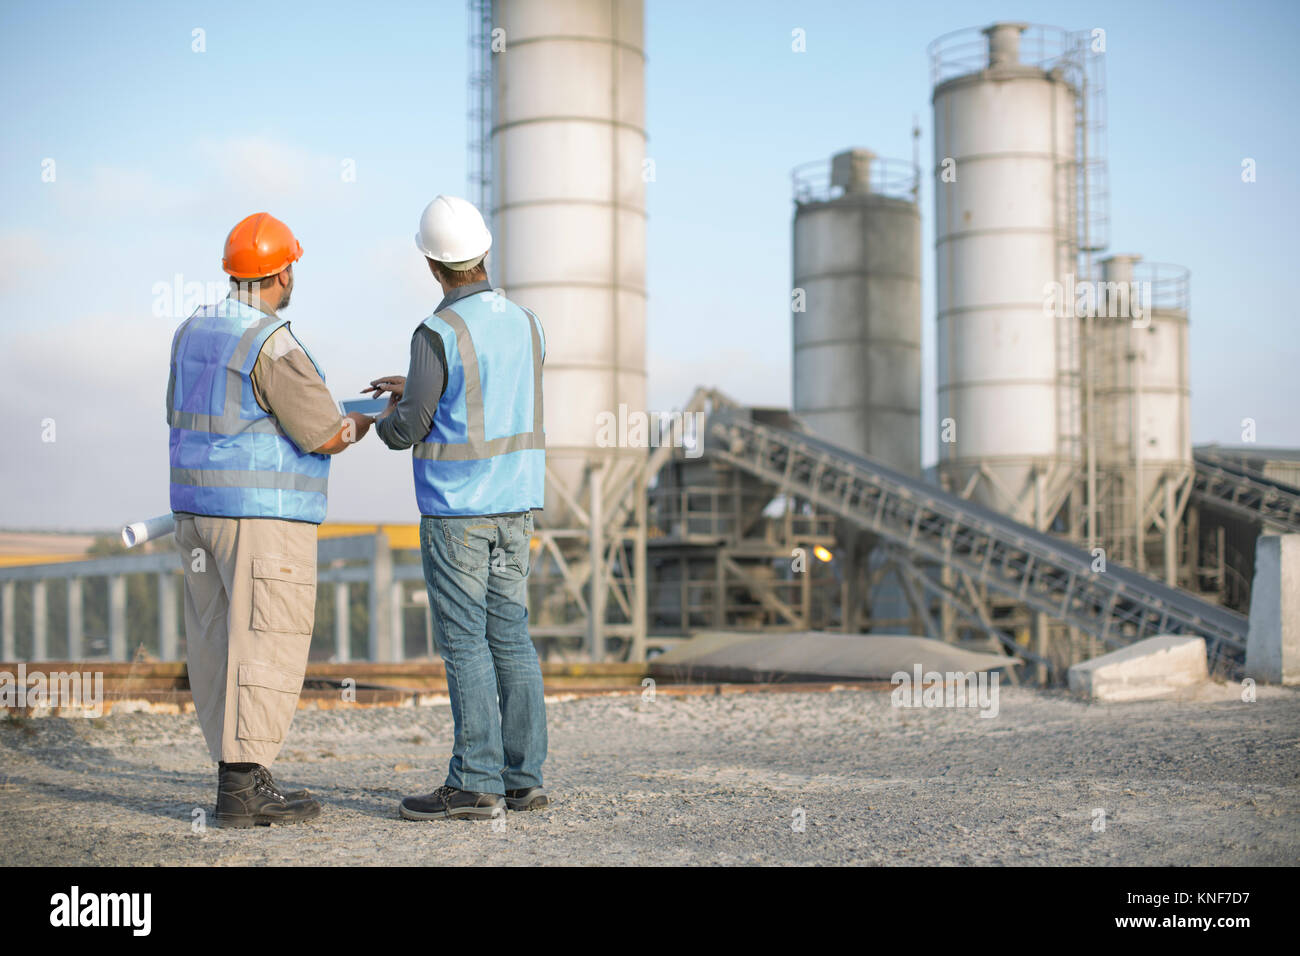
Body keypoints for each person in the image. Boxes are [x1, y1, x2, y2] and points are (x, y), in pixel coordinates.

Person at [167, 212, 371, 828]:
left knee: (215, 643)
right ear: (282, 272)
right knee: (266, 640)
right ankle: (242, 790)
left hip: (196, 512)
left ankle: (241, 774)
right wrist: (365, 421)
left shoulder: (190, 331)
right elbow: (323, 431)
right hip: (259, 520)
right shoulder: (270, 341)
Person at [364, 195, 549, 821]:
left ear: (431, 265)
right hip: (517, 507)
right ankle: (523, 780)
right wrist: (417, 383)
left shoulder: (435, 333)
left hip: (458, 513)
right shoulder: (528, 323)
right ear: (484, 253)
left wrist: (389, 417)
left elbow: (413, 426)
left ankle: (474, 782)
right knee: (512, 639)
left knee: (465, 643)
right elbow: (490, 393)